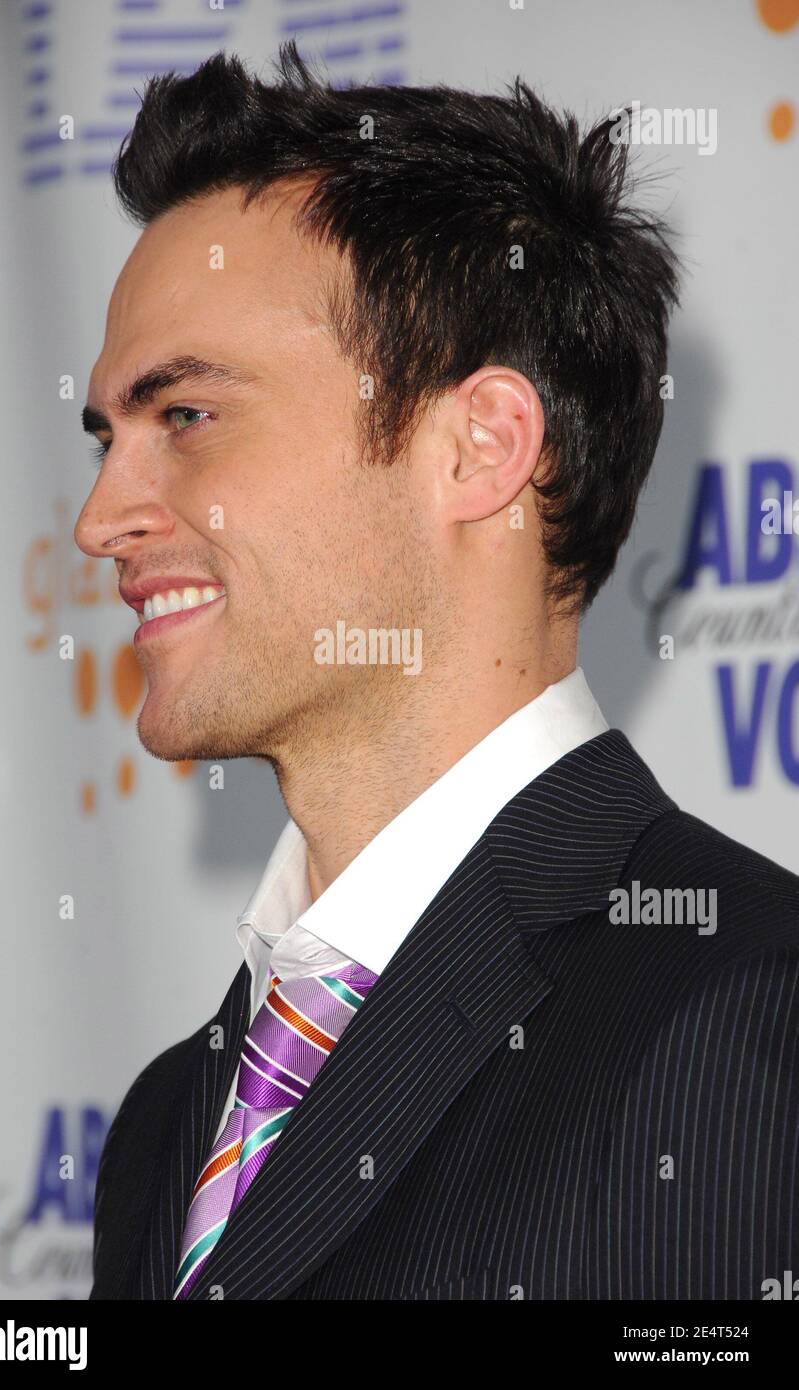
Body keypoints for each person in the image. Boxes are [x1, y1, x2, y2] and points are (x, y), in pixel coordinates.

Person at [76, 43, 799, 1301]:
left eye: (183, 415)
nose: (100, 518)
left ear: (479, 450)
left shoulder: (752, 1020)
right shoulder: (164, 1122)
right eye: (108, 437)